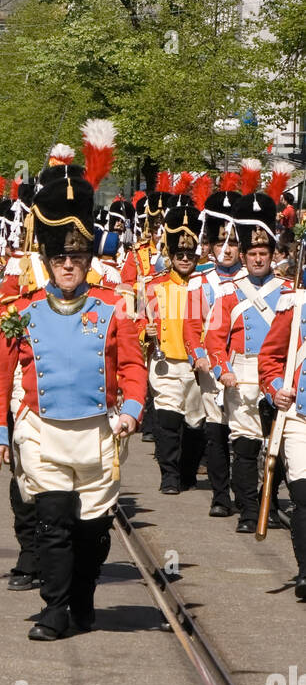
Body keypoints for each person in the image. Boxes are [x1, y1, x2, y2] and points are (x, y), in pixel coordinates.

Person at [0, 142, 146, 641]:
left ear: (88, 257)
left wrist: (133, 411)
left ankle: (83, 596)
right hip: (41, 433)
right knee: (52, 524)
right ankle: (54, 610)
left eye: (77, 256)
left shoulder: (111, 308)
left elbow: (135, 368)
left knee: (92, 534)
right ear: (48, 261)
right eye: (60, 257)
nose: (69, 265)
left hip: (99, 433)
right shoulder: (23, 310)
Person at [204, 180, 294, 533]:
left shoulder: (290, 292)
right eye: (252, 253)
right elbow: (214, 339)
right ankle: (247, 510)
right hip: (241, 371)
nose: (258, 258)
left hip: (278, 374)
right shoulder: (228, 293)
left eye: (264, 253)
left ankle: (267, 501)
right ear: (243, 255)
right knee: (244, 445)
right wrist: (222, 369)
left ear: (273, 254)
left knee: (281, 447)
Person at [140, 199, 206, 495]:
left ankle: (187, 472)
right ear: (170, 253)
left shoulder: (205, 285)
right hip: (165, 363)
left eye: (189, 254)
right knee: (167, 420)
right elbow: (139, 320)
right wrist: (146, 331)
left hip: (196, 368)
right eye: (179, 253)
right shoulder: (153, 286)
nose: (184, 259)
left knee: (194, 424)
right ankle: (168, 475)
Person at [184, 184, 242, 517]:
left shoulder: (254, 278)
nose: (227, 249)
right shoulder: (199, 280)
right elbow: (191, 327)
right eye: (221, 242)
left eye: (233, 242)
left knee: (249, 438)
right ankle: (221, 496)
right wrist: (198, 356)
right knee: (216, 430)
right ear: (210, 244)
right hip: (211, 367)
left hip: (247, 367)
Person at [258, 283, 306, 598]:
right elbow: (269, 359)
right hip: (300, 417)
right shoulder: (295, 305)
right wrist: (278, 389)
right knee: (303, 495)